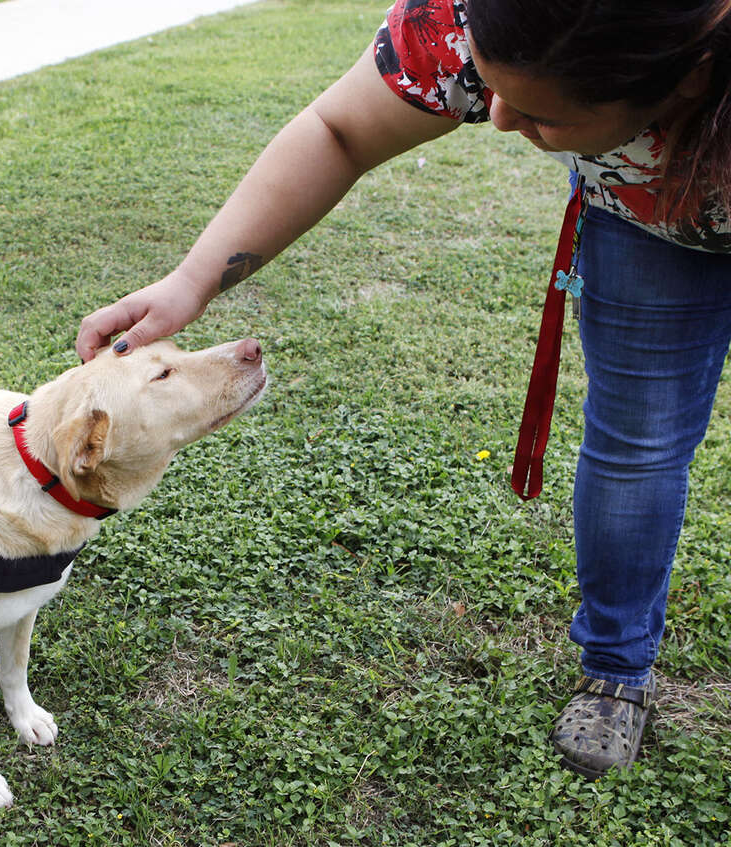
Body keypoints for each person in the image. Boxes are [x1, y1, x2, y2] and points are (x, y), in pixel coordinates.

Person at [74, 0, 731, 778]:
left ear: (687, 80)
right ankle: (617, 669)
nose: (497, 121)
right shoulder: (472, 20)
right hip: (646, 219)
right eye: (492, 88)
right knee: (637, 445)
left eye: (541, 116)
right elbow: (341, 130)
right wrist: (191, 284)